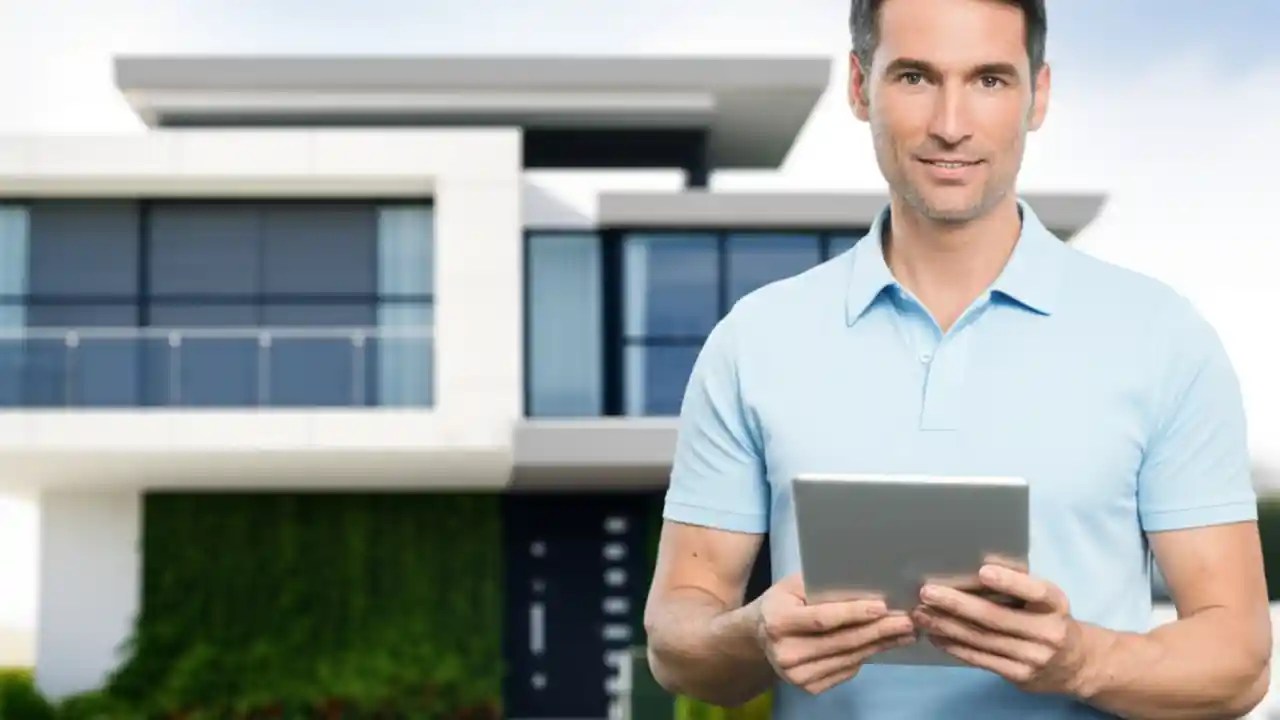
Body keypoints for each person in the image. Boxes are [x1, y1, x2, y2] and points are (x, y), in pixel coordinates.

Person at [641, 0, 1273, 717]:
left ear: (1038, 94)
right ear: (859, 87)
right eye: (915, 77)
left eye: (989, 80)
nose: (950, 124)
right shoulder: (753, 341)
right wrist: (754, 638)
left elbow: (1240, 661)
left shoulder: (1162, 337)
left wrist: (1081, 660)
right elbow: (675, 641)